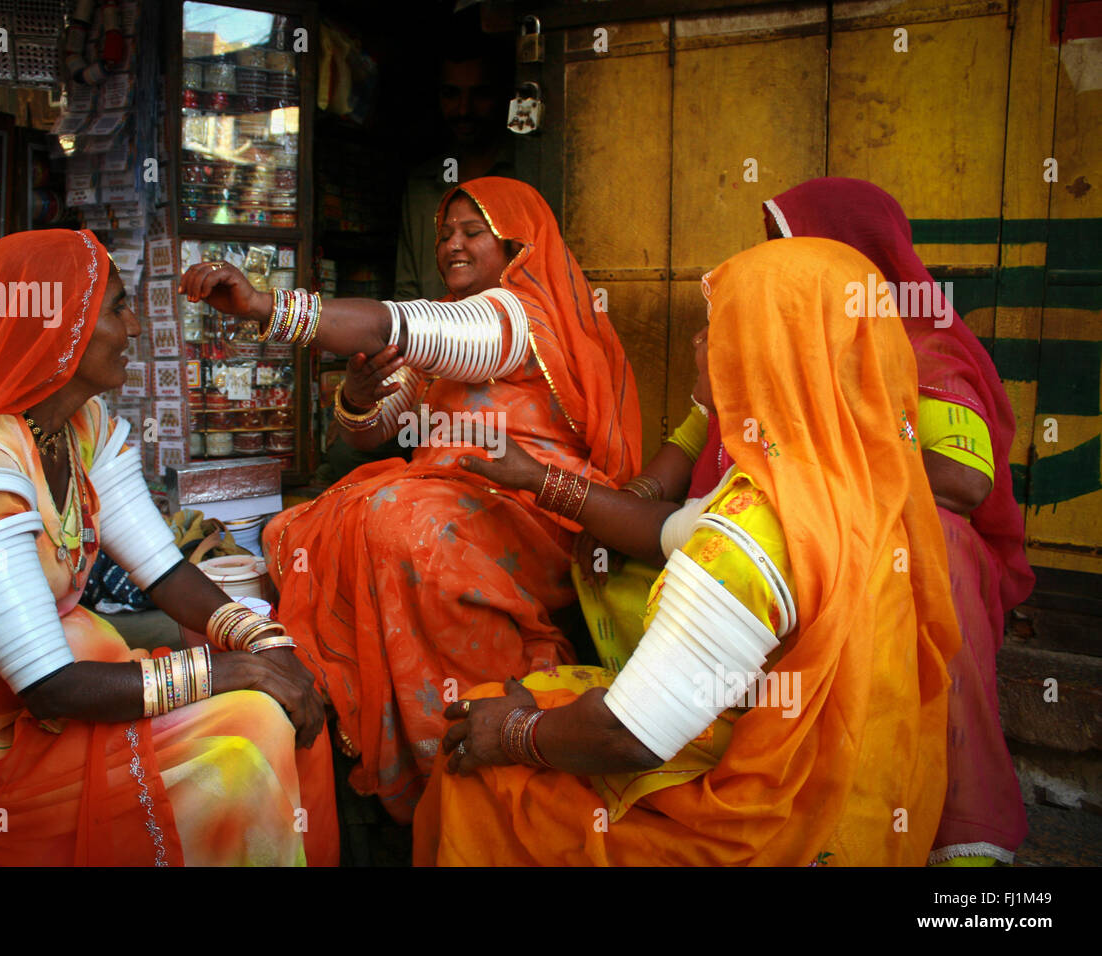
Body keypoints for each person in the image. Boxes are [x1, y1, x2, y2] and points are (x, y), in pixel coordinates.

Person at [412, 237, 963, 866]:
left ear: (765, 352)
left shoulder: (747, 536)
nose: (700, 343)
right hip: (857, 802)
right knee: (545, 689)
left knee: (480, 768)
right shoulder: (863, 486)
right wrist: (538, 479)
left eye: (715, 326)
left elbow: (628, 735)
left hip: (765, 831)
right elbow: (666, 528)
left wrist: (512, 734)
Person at [0, 229, 338, 866]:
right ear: (55, 328)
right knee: (252, 729)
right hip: (8, 739)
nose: (133, 326)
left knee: (276, 694)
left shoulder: (80, 428)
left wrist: (262, 642)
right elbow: (48, 686)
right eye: (115, 308)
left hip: (80, 684)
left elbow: (162, 571)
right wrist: (232, 671)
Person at [177, 177, 641, 821]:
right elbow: (376, 429)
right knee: (302, 524)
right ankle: (382, 712)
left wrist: (263, 306)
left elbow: (393, 323)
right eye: (444, 234)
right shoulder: (452, 335)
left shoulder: (511, 316)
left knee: (399, 517)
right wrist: (363, 397)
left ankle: (448, 745)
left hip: (534, 512)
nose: (452, 244)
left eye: (471, 232)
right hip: (461, 498)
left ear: (515, 246)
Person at [622, 179, 1031, 865]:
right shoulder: (763, 346)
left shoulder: (921, 351)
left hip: (864, 550)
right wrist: (611, 500)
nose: (772, 257)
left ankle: (966, 826)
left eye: (789, 241)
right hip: (764, 545)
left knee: (938, 539)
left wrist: (816, 484)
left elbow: (963, 480)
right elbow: (676, 464)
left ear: (850, 257)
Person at [394, 27, 515, 302]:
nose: (464, 109)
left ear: (505, 95)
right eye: (451, 94)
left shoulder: (527, 175)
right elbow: (407, 293)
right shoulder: (422, 187)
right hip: (432, 343)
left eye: (480, 94)